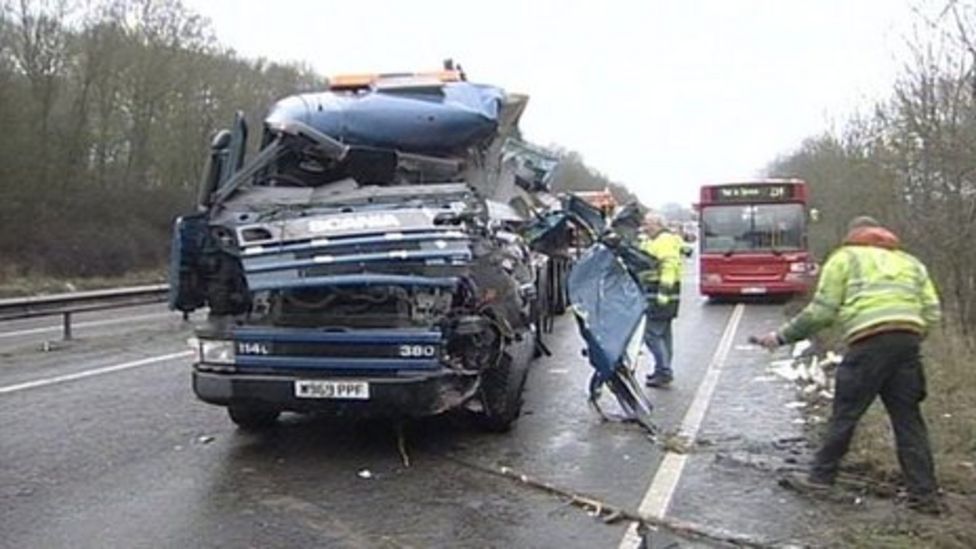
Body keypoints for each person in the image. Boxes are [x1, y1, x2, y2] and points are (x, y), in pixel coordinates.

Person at [755, 216, 943, 513]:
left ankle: (820, 478)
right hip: (907, 341)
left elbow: (821, 312)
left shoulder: (844, 258)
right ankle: (925, 495)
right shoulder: (911, 262)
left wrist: (780, 337)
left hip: (869, 342)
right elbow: (932, 311)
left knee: (846, 413)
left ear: (853, 235)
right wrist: (910, 338)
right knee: (908, 420)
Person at [638, 212, 684, 388]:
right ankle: (662, 369)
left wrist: (663, 293)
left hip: (661, 293)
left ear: (658, 225)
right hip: (660, 293)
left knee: (651, 334)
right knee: (663, 335)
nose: (645, 226)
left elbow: (669, 266)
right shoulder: (653, 240)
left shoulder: (663, 241)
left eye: (648, 224)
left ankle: (664, 371)